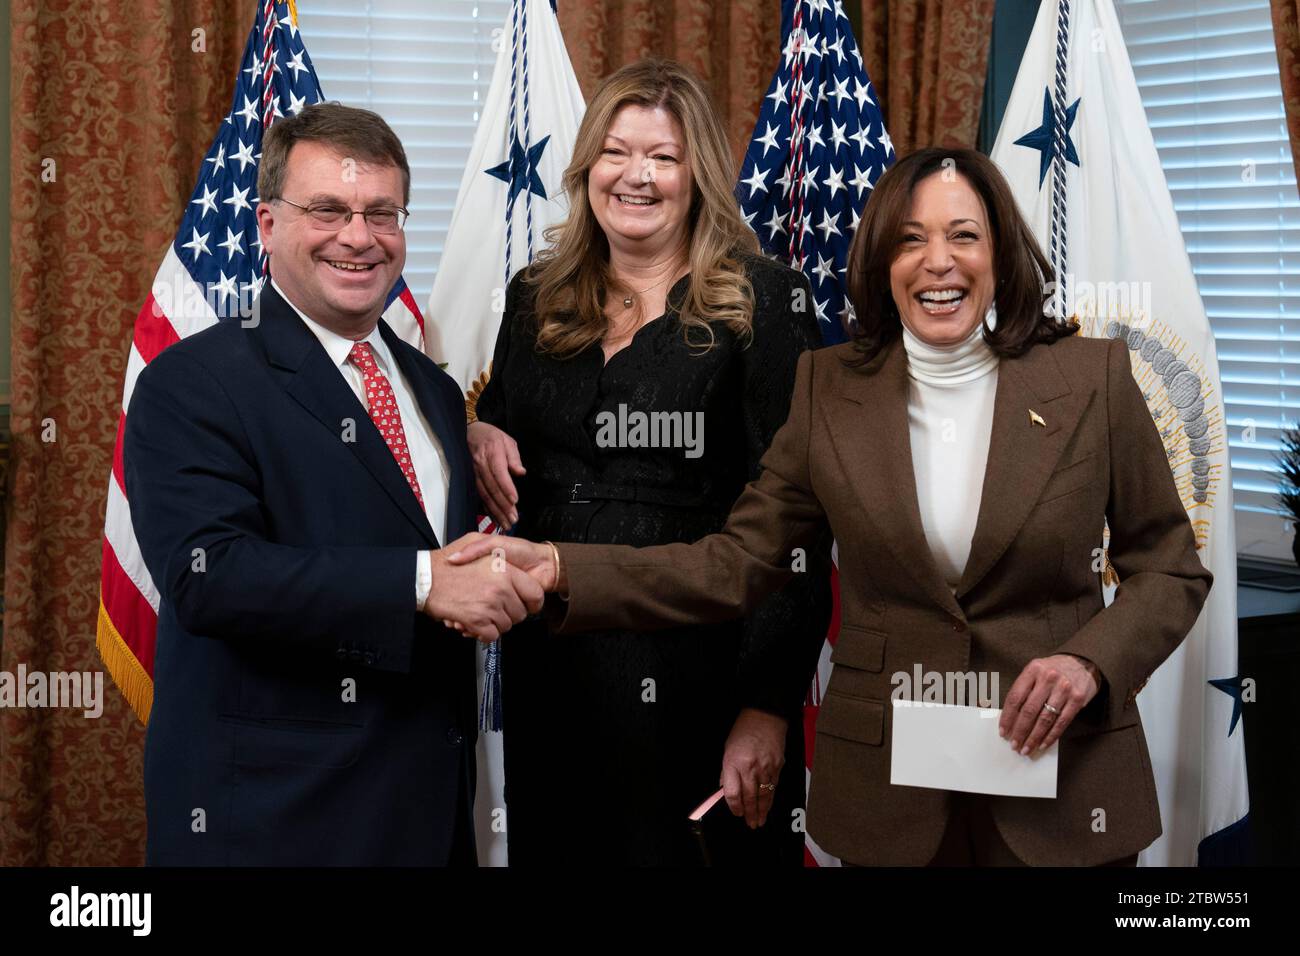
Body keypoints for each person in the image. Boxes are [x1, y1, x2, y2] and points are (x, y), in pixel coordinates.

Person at [448, 146, 1214, 867]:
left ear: (1001, 255)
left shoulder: (1094, 378)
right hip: (893, 798)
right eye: (910, 239)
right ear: (882, 263)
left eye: (964, 236)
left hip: (1067, 783)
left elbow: (1170, 568)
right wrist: (556, 565)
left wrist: (1091, 662)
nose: (938, 262)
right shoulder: (828, 389)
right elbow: (734, 562)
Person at [124, 103, 542, 866]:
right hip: (275, 822)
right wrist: (420, 582)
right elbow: (208, 576)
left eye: (382, 213)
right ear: (266, 225)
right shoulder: (193, 382)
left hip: (428, 815)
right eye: (328, 209)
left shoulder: (436, 393)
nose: (359, 236)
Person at [465, 58, 831, 866]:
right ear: (587, 165)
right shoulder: (534, 296)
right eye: (617, 152)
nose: (637, 176)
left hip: (702, 664)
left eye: (663, 157)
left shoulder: (765, 303)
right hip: (551, 663)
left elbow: (797, 525)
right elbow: (505, 429)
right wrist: (475, 433)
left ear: (697, 172)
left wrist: (767, 706)